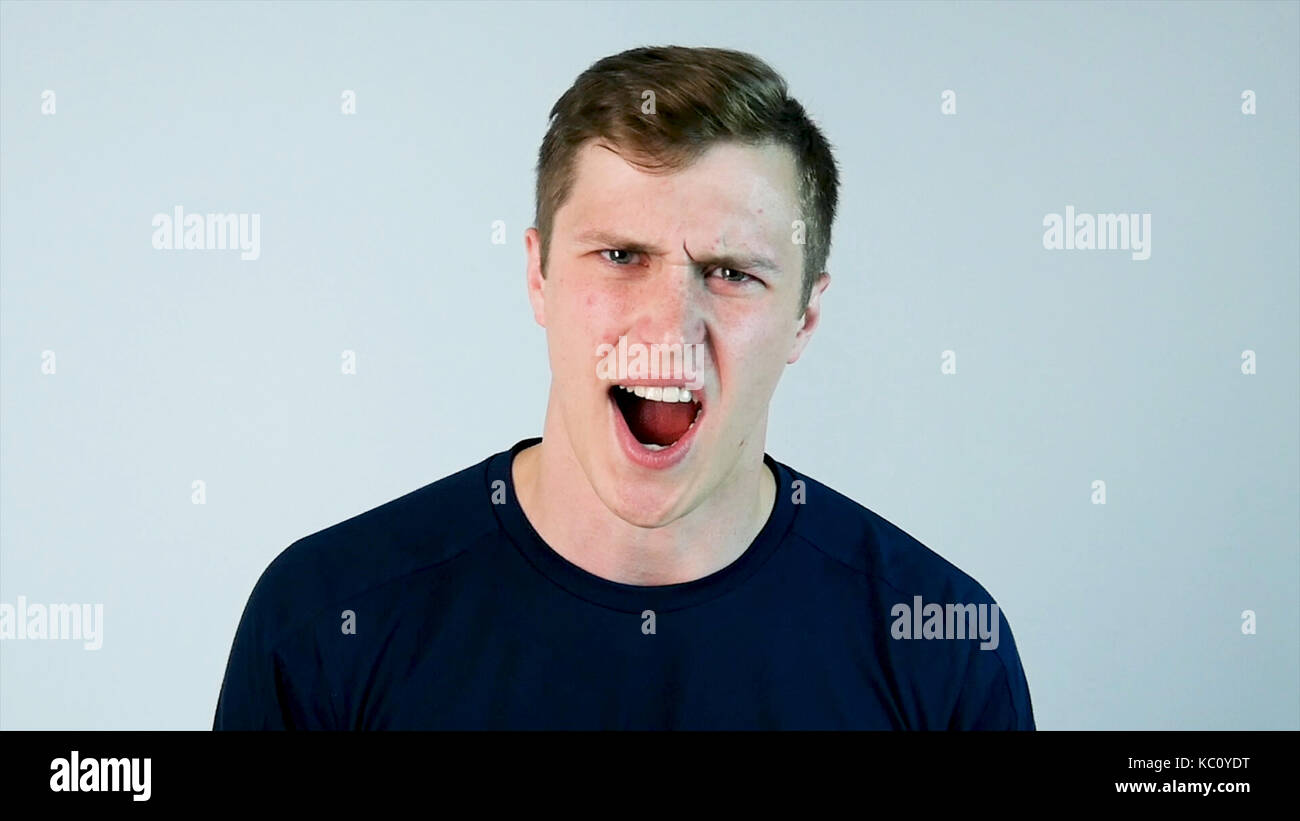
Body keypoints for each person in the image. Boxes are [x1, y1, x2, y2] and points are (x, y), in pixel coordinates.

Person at [214, 45, 1035, 730]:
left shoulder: (943, 653)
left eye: (732, 272)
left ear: (804, 318)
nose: (669, 327)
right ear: (537, 275)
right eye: (620, 256)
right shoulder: (324, 621)